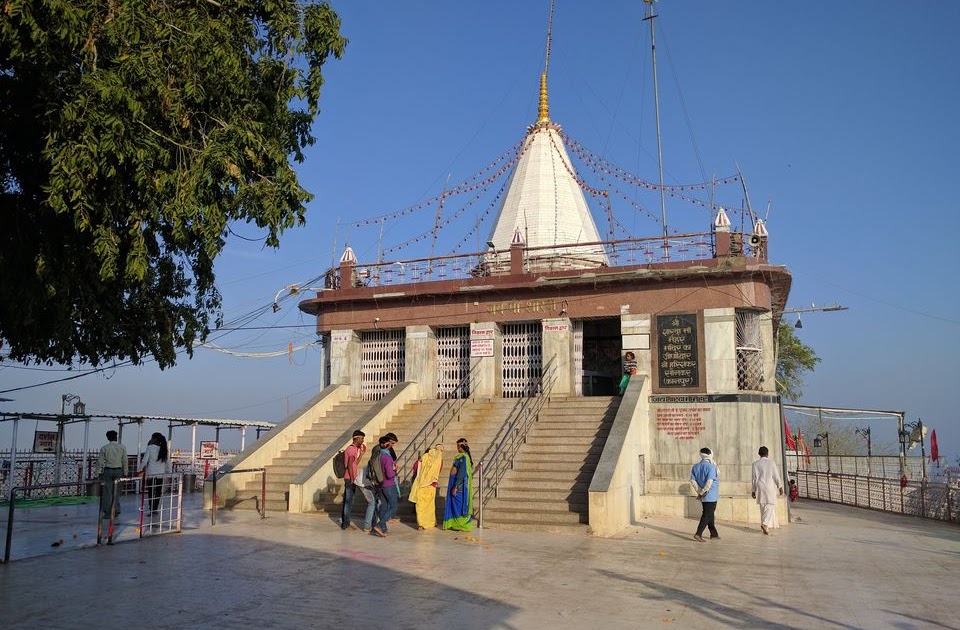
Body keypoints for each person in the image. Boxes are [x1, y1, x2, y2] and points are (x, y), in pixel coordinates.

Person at [409, 444, 443, 530]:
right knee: (430, 506)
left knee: (420, 505)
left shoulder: (422, 458)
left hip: (421, 485)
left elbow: (416, 468)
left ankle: (421, 523)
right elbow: (438, 471)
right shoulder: (438, 459)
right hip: (431, 485)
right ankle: (430, 522)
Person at [370, 434, 399, 538]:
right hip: (388, 484)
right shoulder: (387, 457)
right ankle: (379, 525)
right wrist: (394, 470)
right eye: (390, 443)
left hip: (381, 484)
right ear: (387, 444)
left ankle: (383, 528)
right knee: (393, 506)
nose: (391, 446)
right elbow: (390, 474)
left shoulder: (380, 455)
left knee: (384, 505)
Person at [751, 445, 784, 535]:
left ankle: (764, 526)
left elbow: (754, 479)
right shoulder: (771, 463)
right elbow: (776, 475)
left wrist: (753, 490)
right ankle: (765, 524)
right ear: (767, 454)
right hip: (769, 485)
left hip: (760, 485)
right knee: (770, 504)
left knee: (762, 506)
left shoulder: (755, 464)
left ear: (759, 454)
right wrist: (780, 486)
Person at [443, 438, 473, 531]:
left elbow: (462, 473)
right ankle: (455, 524)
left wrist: (455, 486)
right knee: (455, 504)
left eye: (457, 446)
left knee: (458, 505)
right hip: (456, 483)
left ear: (461, 446)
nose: (457, 448)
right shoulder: (461, 457)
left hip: (459, 485)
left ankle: (462, 525)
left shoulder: (463, 458)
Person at [689, 446, 719, 542]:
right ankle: (698, 533)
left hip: (703, 495)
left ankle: (713, 534)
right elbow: (709, 482)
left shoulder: (695, 466)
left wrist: (699, 492)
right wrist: (702, 492)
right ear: (710, 454)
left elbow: (693, 481)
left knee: (709, 513)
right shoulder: (711, 467)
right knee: (707, 514)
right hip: (711, 495)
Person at [97, 430, 128, 519]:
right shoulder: (122, 447)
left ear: (108, 438)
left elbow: (100, 462)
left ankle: (108, 512)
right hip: (118, 471)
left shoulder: (104, 448)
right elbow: (125, 460)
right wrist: (125, 472)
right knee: (117, 492)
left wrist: (97, 473)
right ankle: (116, 510)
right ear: (116, 437)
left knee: (107, 492)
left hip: (108, 471)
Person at [139, 432, 171, 514]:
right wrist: (169, 472)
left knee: (151, 492)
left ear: (154, 439)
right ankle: (155, 509)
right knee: (158, 492)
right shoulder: (164, 448)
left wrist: (139, 469)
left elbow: (144, 461)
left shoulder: (150, 448)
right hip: (160, 474)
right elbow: (168, 462)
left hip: (151, 474)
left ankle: (151, 508)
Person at [340, 430, 366, 531]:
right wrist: (351, 478)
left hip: (351, 478)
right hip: (349, 478)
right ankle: (345, 524)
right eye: (362, 439)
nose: (362, 441)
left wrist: (362, 454)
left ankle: (345, 523)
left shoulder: (355, 449)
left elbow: (355, 464)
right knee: (348, 502)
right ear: (357, 438)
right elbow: (350, 465)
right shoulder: (351, 449)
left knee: (348, 501)